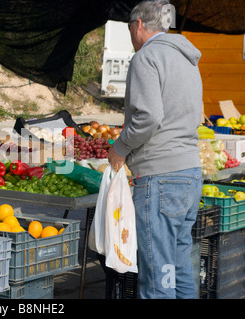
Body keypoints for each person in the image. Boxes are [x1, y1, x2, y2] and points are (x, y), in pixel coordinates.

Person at [108, 0, 203, 299]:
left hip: (161, 177)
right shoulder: (186, 58)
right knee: (179, 265)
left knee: (158, 274)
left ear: (138, 25)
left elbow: (148, 117)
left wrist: (120, 149)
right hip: (190, 174)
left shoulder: (146, 58)